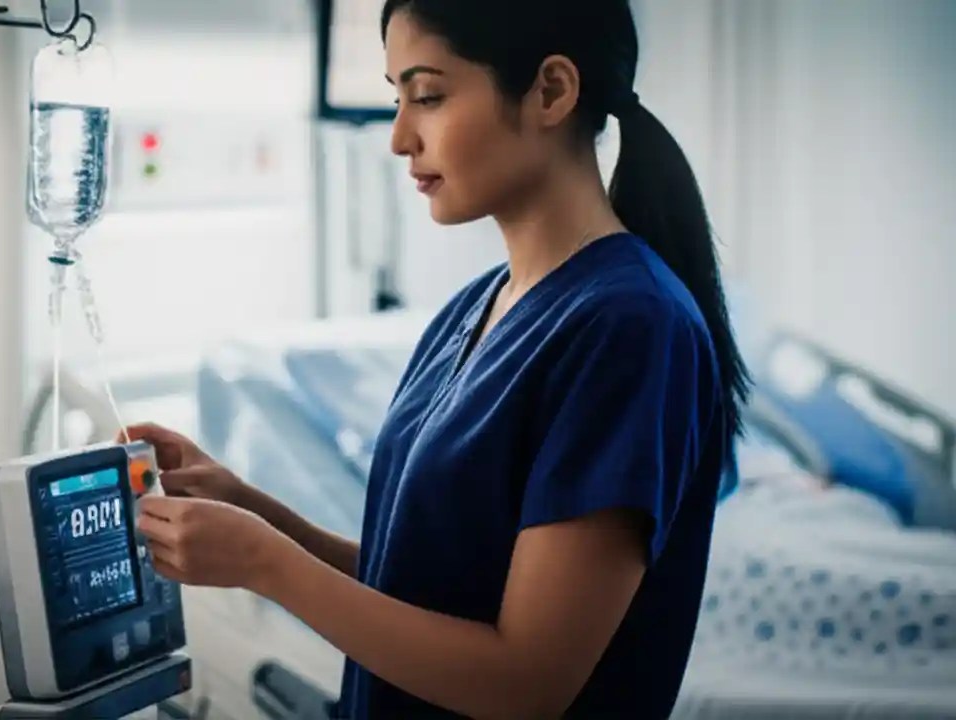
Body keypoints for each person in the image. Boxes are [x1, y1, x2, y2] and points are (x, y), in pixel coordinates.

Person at [124, 1, 750, 717]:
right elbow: (426, 591)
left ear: (551, 91)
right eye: (398, 98)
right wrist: (251, 510)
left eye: (428, 96)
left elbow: (526, 682)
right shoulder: (475, 311)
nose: (397, 138)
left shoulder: (630, 329)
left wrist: (266, 564)